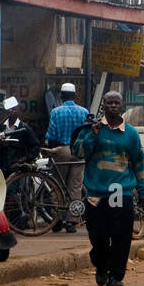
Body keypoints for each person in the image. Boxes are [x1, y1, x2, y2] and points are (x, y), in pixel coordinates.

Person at [71, 91, 144, 286]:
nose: (113, 106)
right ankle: (100, 264)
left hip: (120, 192)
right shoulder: (91, 129)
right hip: (96, 193)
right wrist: (91, 136)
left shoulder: (130, 134)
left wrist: (143, 193)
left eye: (116, 103)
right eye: (109, 103)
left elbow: (140, 163)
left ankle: (116, 276)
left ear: (122, 107)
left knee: (121, 235)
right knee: (98, 235)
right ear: (103, 107)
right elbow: (78, 152)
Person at [44, 83, 88, 233]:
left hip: (62, 150)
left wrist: (52, 151)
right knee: (75, 186)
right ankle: (72, 221)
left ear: (61, 96)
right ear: (75, 96)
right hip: (79, 151)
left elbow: (52, 136)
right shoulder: (84, 112)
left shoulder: (56, 112)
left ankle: (57, 219)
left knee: (56, 185)